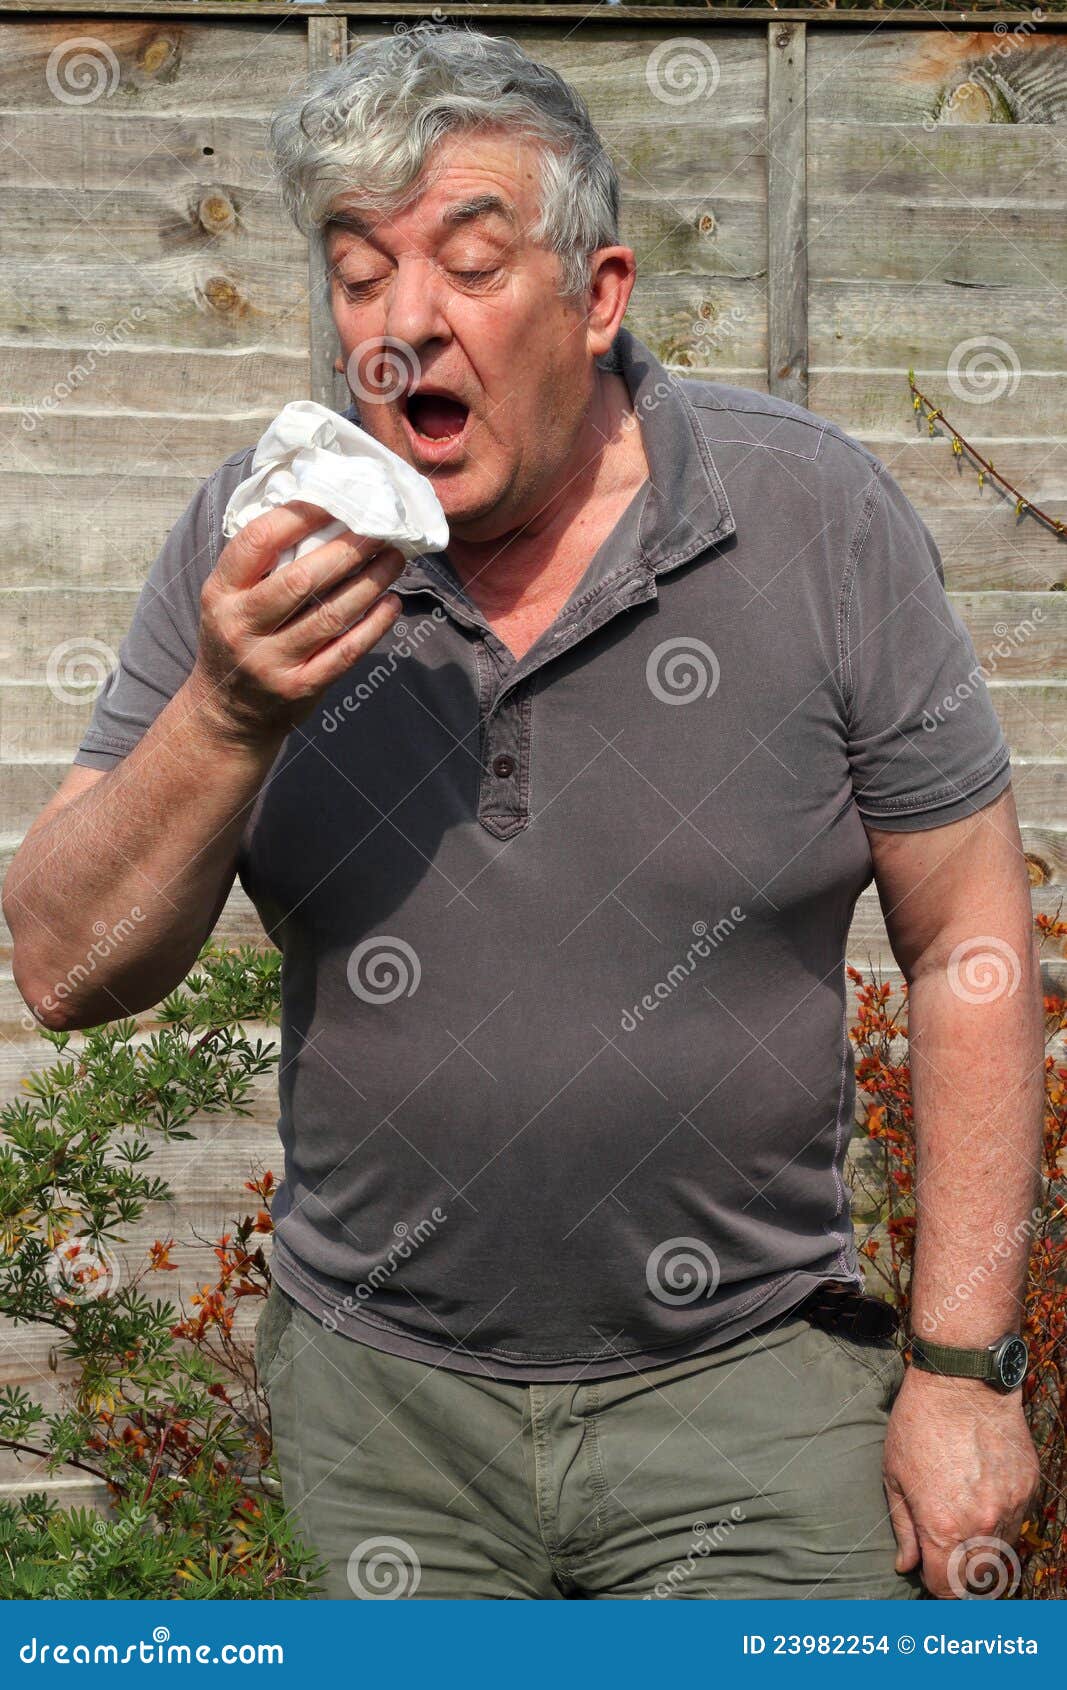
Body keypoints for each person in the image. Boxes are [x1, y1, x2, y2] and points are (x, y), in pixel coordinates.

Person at [4, 26, 1041, 1600]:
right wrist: (226, 709)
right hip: (383, 1412)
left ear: (599, 293)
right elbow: (65, 967)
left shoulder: (816, 518)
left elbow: (970, 929)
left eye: (470, 266)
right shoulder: (260, 548)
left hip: (751, 1396)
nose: (403, 327)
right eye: (360, 275)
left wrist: (966, 1366)